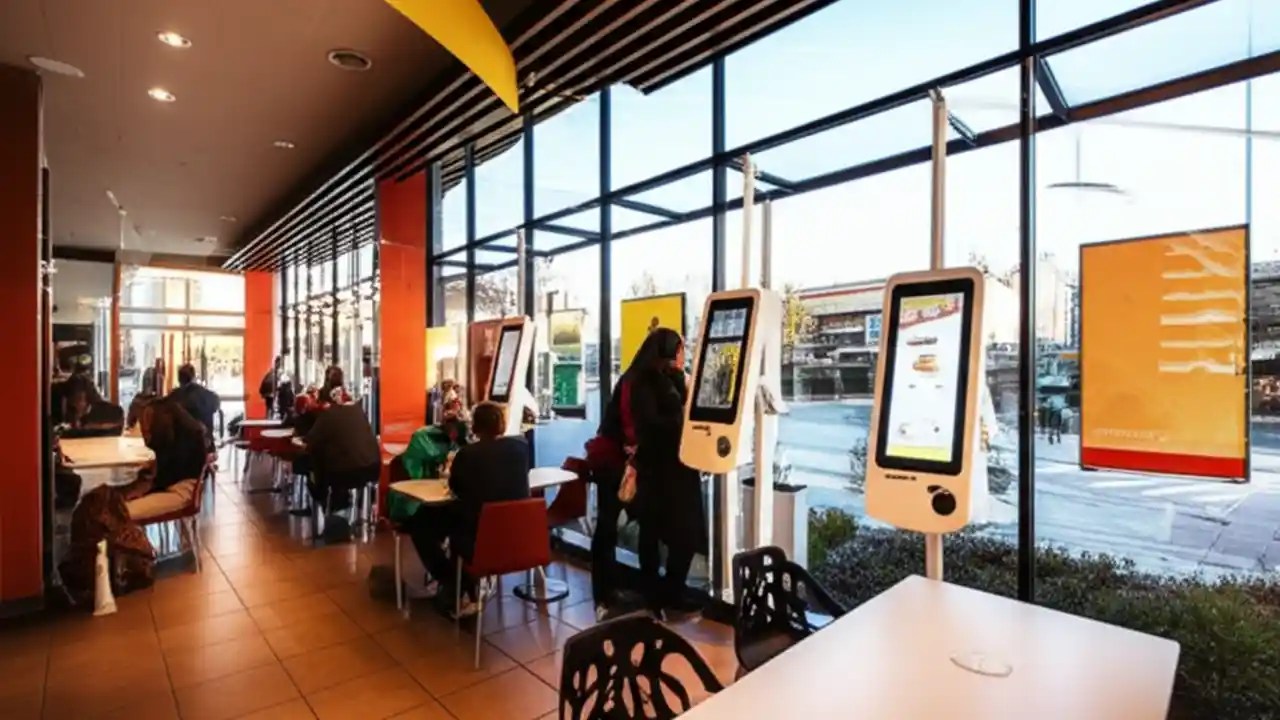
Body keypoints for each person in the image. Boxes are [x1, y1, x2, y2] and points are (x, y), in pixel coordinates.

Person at [407, 401, 530, 617]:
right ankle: (458, 584)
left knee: (421, 524)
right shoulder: (520, 447)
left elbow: (455, 489)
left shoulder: (468, 455)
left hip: (477, 537)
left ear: (475, 426)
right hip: (516, 535)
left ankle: (453, 581)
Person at [629, 328, 706, 619]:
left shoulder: (668, 379)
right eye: (679, 349)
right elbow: (652, 424)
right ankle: (659, 595)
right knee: (659, 533)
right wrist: (680, 418)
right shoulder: (645, 382)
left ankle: (668, 592)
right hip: (662, 468)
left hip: (676, 466)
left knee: (675, 534)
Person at [583, 341, 646, 620]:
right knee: (608, 528)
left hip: (614, 464)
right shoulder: (635, 382)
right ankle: (604, 595)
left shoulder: (631, 378)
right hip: (615, 466)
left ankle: (609, 591)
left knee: (610, 528)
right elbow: (631, 426)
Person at [301, 397, 381, 540]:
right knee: (338, 469)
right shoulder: (358, 412)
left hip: (344, 473)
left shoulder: (328, 415)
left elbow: (309, 441)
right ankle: (343, 514)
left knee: (318, 468)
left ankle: (333, 516)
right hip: (372, 468)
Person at [123, 399, 209, 523]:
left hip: (180, 491)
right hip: (178, 487)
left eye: (146, 422)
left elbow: (168, 476)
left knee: (119, 514)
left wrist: (146, 487)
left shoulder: (181, 444)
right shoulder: (184, 434)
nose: (143, 428)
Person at [167, 363, 221, 445]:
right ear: (193, 376)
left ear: (179, 379)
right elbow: (216, 406)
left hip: (179, 445)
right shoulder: (209, 396)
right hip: (204, 442)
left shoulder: (173, 397)